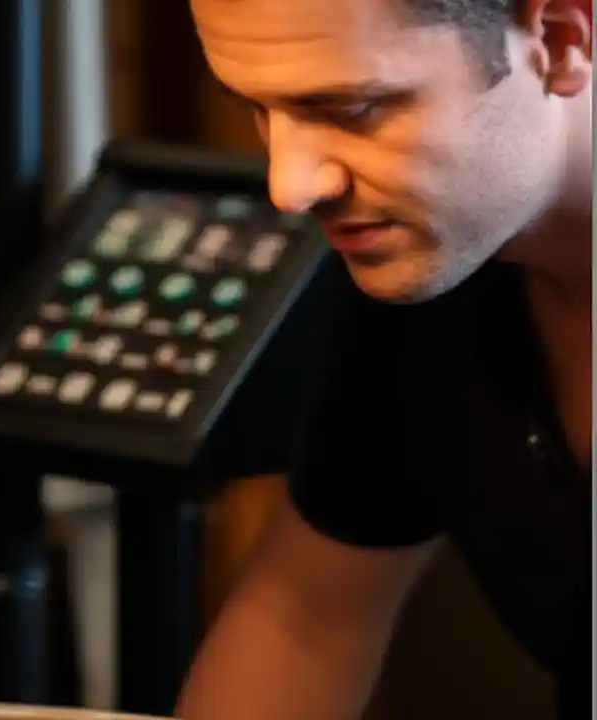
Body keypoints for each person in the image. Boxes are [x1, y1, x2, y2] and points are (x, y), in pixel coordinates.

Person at [176, 0, 593, 718]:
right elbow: (308, 621)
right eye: (257, 108)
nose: (290, 185)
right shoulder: (436, 260)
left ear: (558, 38)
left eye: (354, 108)